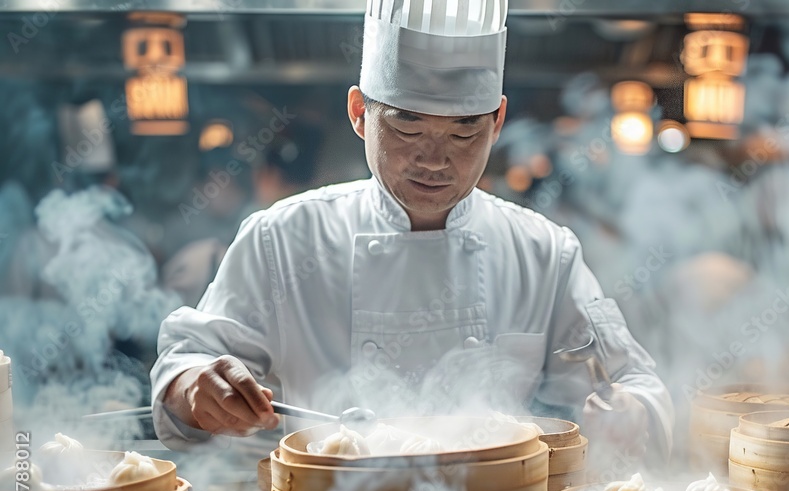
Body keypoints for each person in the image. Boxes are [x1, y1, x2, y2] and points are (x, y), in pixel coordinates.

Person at [150, 0, 674, 464]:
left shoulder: (544, 252)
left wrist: (633, 415)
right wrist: (195, 388)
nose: (434, 159)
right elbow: (183, 368)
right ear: (360, 113)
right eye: (406, 126)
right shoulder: (282, 239)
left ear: (496, 122)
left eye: (465, 130)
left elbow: (637, 384)